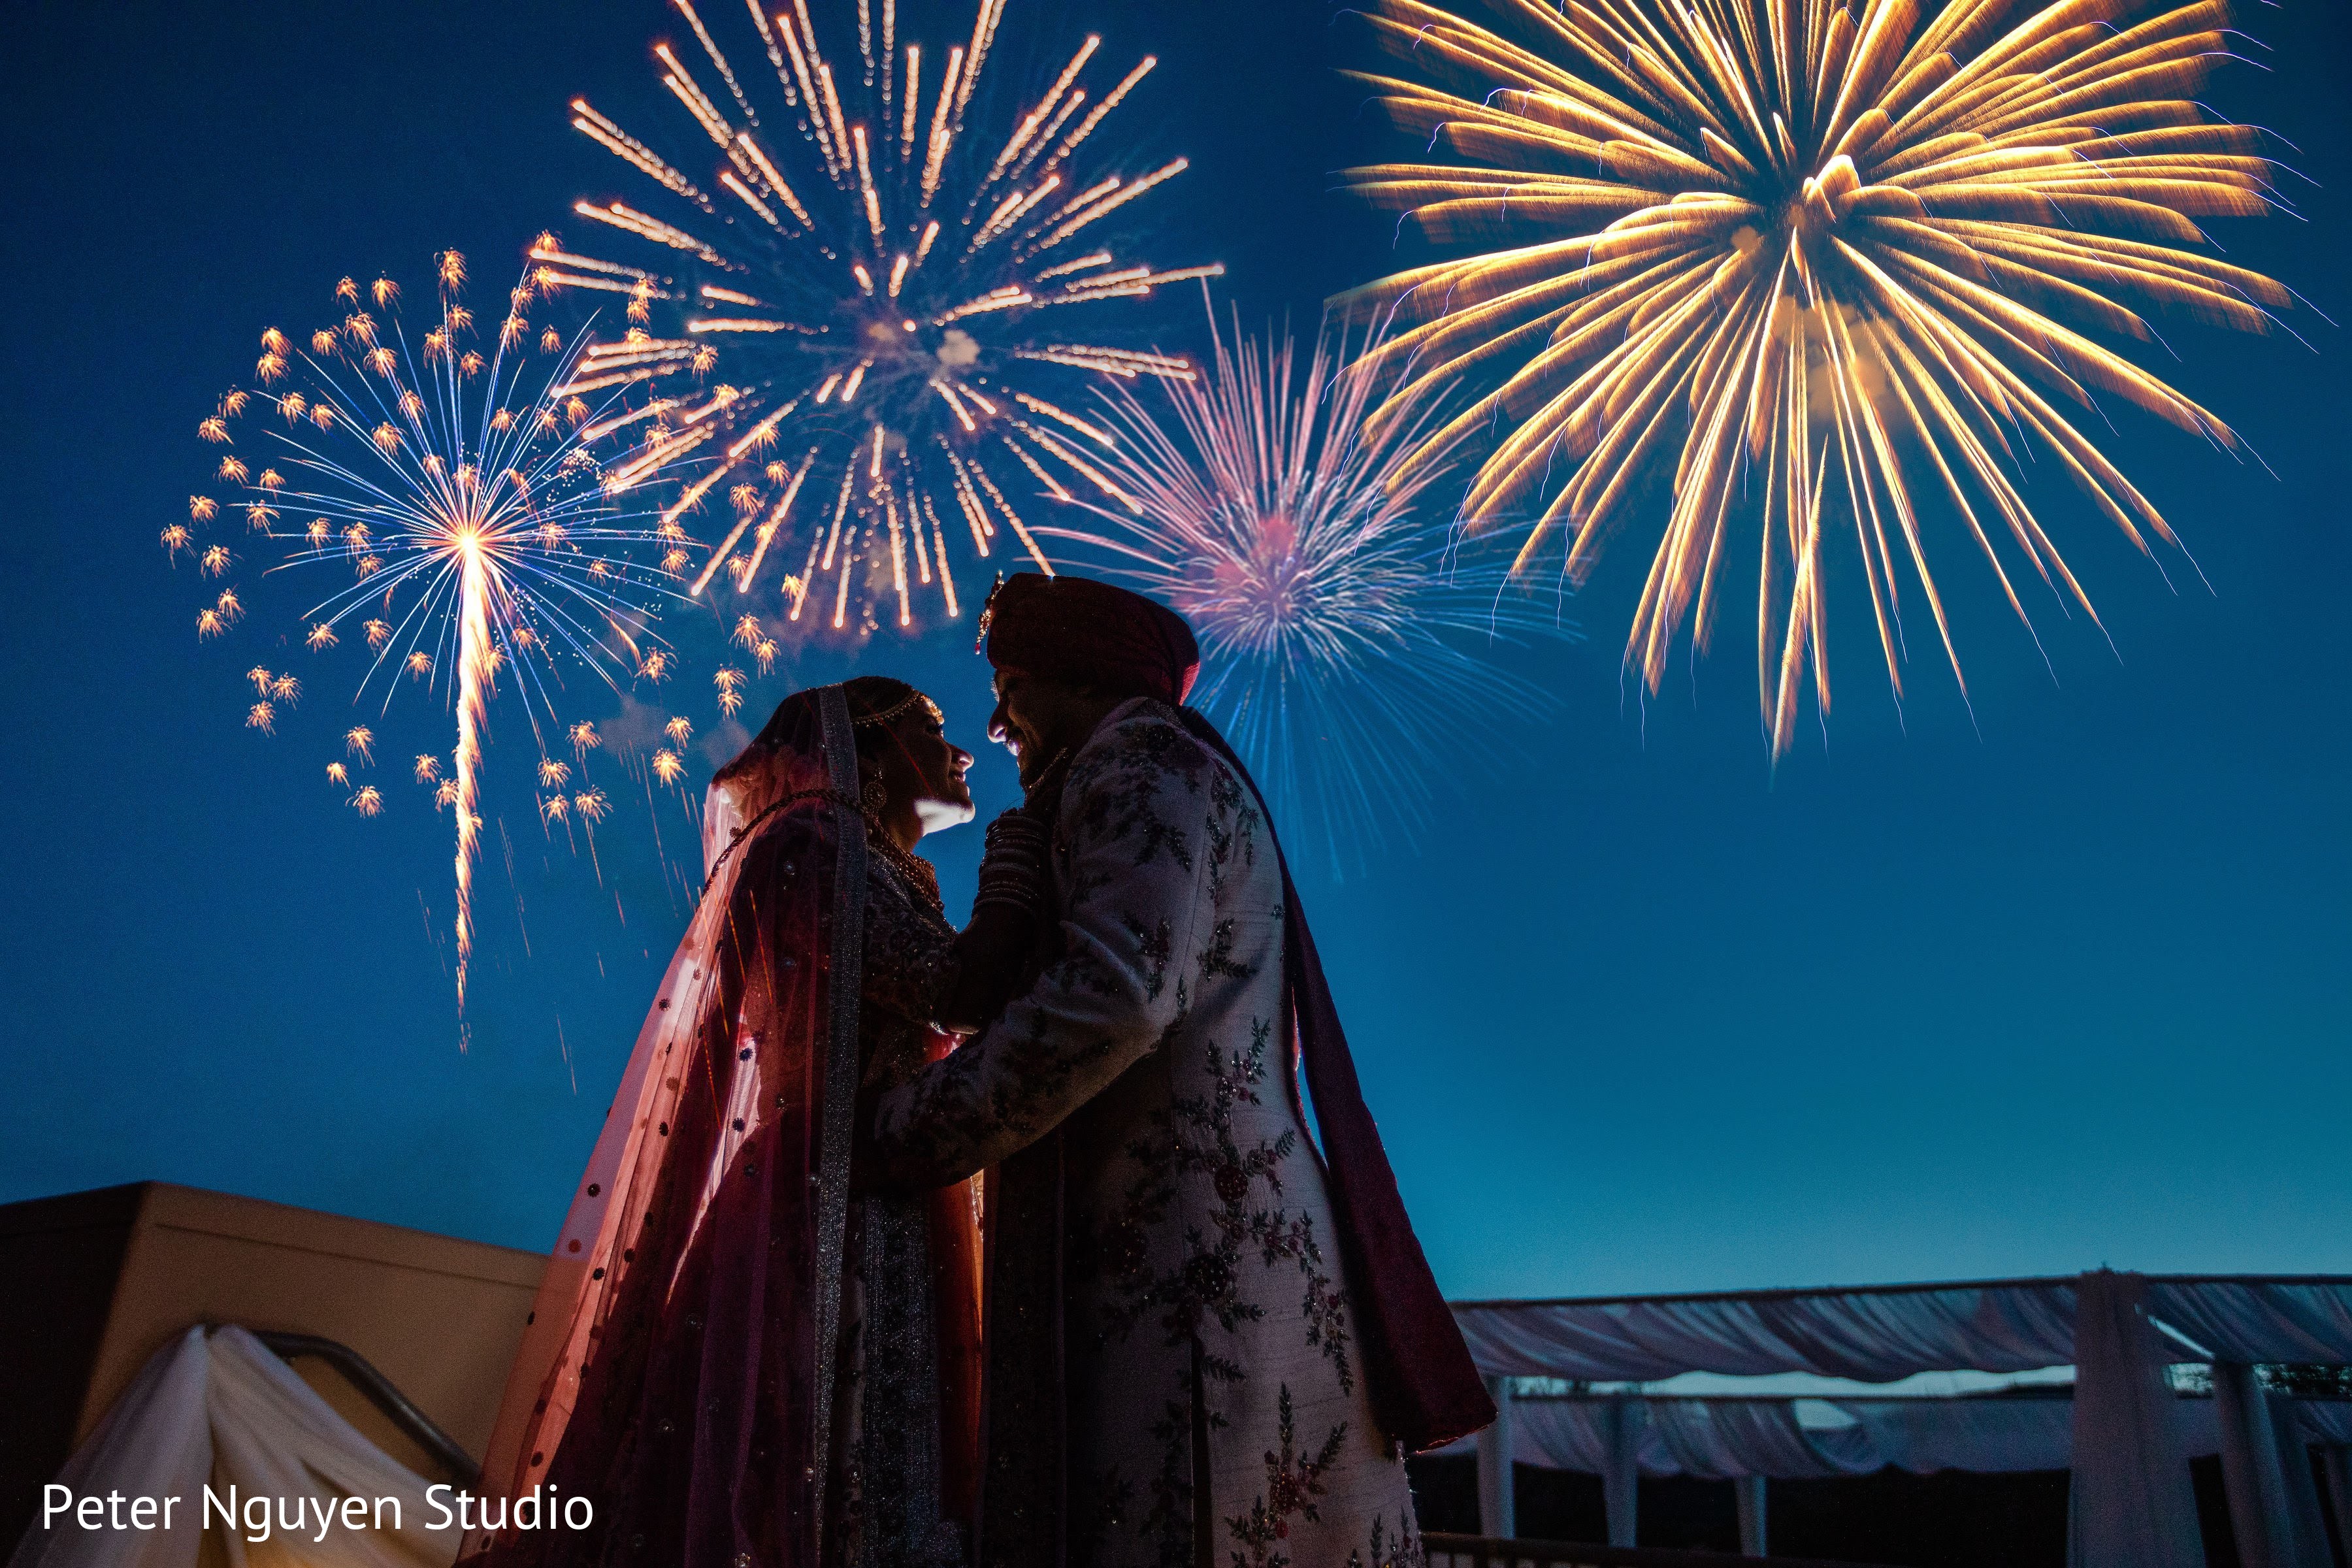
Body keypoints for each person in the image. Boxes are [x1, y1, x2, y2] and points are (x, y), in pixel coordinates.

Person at [872, 574, 1494, 1568]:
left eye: (1015, 685)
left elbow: (1118, 989)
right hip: (1206, 1248)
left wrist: (910, 1130)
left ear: (1082, 678)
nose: (996, 722)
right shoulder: (1145, 767)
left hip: (1191, 1274)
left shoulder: (1138, 759)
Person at [465, 678, 986, 1568]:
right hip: (828, 1203)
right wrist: (1025, 878)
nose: (963, 751)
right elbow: (951, 989)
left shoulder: (878, 863)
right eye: (931, 728)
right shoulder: (811, 844)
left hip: (881, 1189)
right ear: (872, 746)